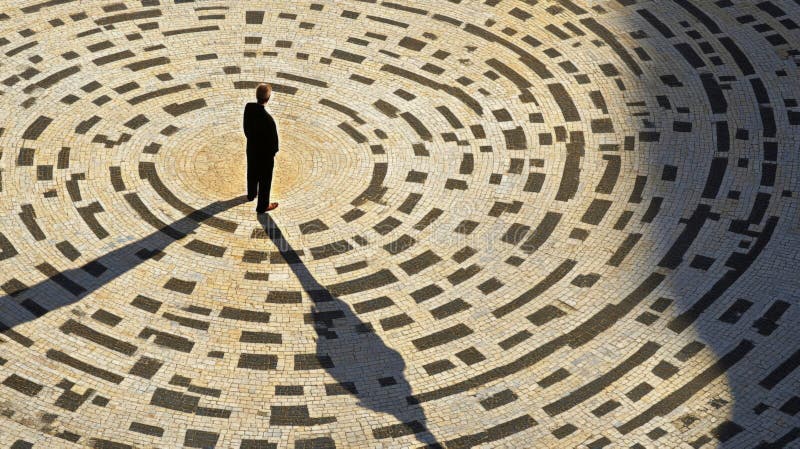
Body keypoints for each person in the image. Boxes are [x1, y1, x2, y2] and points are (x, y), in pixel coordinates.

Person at [243, 83, 279, 213]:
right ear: (268, 98)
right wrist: (272, 154)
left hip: (251, 149)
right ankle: (263, 205)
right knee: (265, 180)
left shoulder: (248, 107)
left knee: (251, 171)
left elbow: (246, 129)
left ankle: (251, 194)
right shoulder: (269, 120)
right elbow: (274, 145)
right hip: (265, 156)